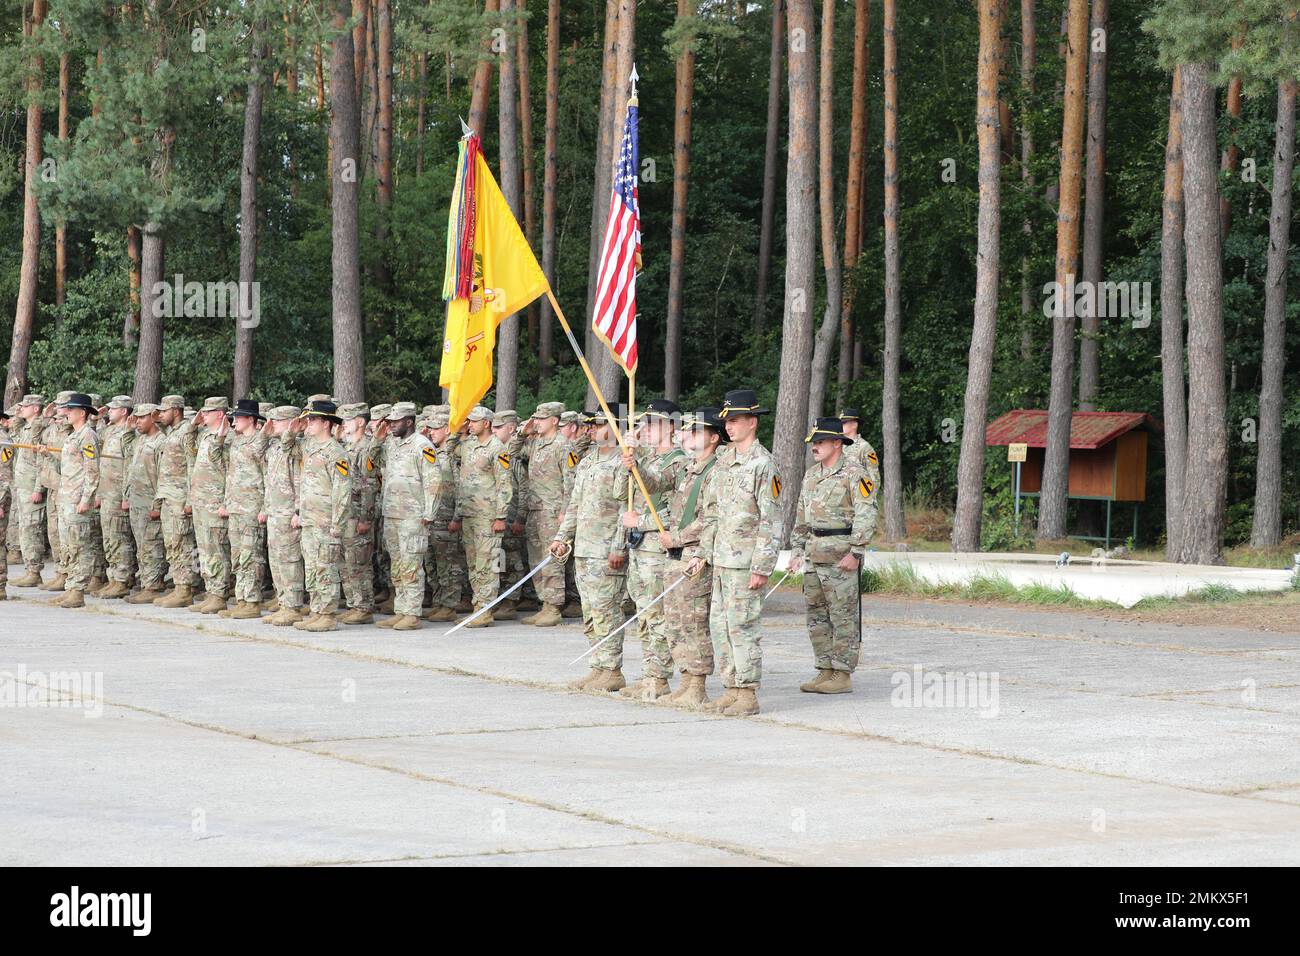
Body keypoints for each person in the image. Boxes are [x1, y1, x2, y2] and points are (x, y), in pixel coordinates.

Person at [700, 389, 784, 717]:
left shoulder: (763, 464)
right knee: (720, 625)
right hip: (721, 558)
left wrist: (762, 566)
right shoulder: (723, 461)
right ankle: (731, 686)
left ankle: (748, 692)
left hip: (746, 561)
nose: (729, 427)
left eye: (734, 420)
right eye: (726, 422)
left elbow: (771, 519)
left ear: (752, 422)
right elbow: (712, 512)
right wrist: (704, 552)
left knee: (742, 626)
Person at [789, 417, 877, 695]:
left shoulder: (854, 473)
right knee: (816, 615)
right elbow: (802, 516)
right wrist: (797, 549)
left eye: (820, 442)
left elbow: (866, 512)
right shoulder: (812, 474)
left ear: (837, 443)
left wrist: (857, 551)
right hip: (814, 553)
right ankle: (824, 669)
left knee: (842, 615)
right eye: (813, 442)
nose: (815, 447)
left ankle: (842, 673)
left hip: (840, 554)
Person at [650, 407, 727, 709]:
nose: (688, 435)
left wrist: (678, 538)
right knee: (675, 621)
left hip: (695, 555)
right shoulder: (685, 467)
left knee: (694, 622)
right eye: (688, 430)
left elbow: (712, 517)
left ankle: (698, 684)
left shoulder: (716, 471)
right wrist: (633, 465)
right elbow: (655, 483)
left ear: (713, 438)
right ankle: (684, 679)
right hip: (674, 555)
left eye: (696, 431)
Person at [550, 410, 630, 692]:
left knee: (607, 611)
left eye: (599, 424)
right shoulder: (587, 461)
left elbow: (627, 509)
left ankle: (612, 669)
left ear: (616, 426)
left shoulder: (624, 461)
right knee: (591, 613)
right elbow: (575, 504)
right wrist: (563, 537)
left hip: (606, 548)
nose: (593, 429)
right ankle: (597, 666)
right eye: (592, 425)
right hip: (584, 547)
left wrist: (619, 545)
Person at [618, 398, 687, 700]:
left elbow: (680, 513)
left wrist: (642, 521)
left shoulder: (680, 461)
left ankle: (660, 677)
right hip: (640, 549)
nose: (646, 429)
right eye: (645, 423)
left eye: (654, 423)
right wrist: (629, 462)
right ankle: (650, 673)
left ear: (671, 426)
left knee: (659, 616)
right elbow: (621, 493)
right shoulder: (648, 460)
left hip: (659, 550)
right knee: (645, 616)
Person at [374, 402, 443, 631]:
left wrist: (429, 513)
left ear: (409, 422)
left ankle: (412, 613)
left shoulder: (422, 445)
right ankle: (401, 609)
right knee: (397, 564)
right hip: (393, 514)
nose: (392, 425)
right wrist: (377, 438)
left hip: (413, 516)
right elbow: (370, 459)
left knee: (411, 564)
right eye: (390, 421)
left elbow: (434, 480)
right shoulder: (392, 445)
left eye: (396, 421)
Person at [504, 402, 569, 627]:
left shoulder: (563, 445)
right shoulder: (534, 443)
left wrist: (565, 511)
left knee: (552, 559)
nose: (537, 423)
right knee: (536, 559)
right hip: (534, 510)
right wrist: (523, 432)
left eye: (541, 419)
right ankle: (544, 602)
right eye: (536, 419)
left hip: (552, 511)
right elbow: (511, 452)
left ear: (554, 421)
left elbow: (571, 481)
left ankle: (554, 607)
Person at [292, 400, 352, 632]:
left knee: (326, 568)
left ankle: (327, 615)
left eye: (313, 419)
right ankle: (316, 610)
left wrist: (337, 523)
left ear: (326, 423)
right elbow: (288, 445)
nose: (309, 423)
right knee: (313, 568)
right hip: (309, 519)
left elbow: (342, 490)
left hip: (327, 521)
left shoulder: (336, 452)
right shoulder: (309, 446)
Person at [451, 406, 513, 623]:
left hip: (488, 515)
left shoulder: (497, 448)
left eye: (474, 422)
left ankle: (485, 610)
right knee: (474, 562)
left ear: (486, 423)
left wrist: (501, 516)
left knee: (489, 563)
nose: (470, 425)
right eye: (469, 421)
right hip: (469, 513)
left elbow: (505, 484)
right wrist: (456, 430)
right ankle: (478, 606)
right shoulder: (468, 445)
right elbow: (450, 449)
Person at [219, 400, 269, 619]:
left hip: (252, 507)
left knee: (251, 555)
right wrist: (227, 503)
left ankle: (252, 601)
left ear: (251, 419)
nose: (235, 421)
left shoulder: (261, 442)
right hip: (237, 507)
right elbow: (231, 476)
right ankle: (242, 598)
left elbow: (269, 477)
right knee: (238, 555)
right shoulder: (237, 442)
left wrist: (265, 507)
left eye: (239, 417)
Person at [53, 393, 101, 608]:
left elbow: (92, 471)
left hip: (77, 500)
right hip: (66, 498)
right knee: (68, 546)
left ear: (82, 413)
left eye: (71, 409)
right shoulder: (73, 436)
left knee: (80, 545)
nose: (66, 413)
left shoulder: (87, 435)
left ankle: (78, 590)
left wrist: (86, 499)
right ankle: (71, 587)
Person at [153, 395, 200, 608]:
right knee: (172, 544)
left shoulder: (187, 433)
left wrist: (190, 500)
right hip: (168, 497)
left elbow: (192, 467)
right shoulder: (171, 433)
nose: (160, 414)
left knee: (183, 543)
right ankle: (179, 586)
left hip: (180, 498)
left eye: (164, 411)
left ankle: (186, 589)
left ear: (176, 410)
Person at [262, 406, 307, 626]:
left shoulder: (297, 447)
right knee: (277, 561)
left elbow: (301, 482)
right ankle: (283, 604)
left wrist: (298, 511)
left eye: (277, 421)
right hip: (275, 513)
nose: (271, 425)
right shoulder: (274, 447)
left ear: (291, 423)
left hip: (289, 514)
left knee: (290, 562)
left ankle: (293, 606)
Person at [189, 397, 233, 614]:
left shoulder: (228, 437)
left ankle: (220, 594)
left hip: (216, 501)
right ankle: (211, 590)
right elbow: (189, 450)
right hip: (201, 501)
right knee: (205, 549)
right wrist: (192, 427)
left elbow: (229, 471)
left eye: (208, 412)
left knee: (217, 550)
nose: (203, 415)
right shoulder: (205, 434)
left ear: (220, 414)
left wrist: (226, 502)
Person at [420, 406, 464, 622]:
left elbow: (461, 487)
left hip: (447, 518)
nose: (431, 432)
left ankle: (450, 605)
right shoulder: (433, 453)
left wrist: (457, 516)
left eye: (436, 429)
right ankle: (438, 601)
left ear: (447, 430)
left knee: (448, 564)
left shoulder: (454, 455)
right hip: (432, 517)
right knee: (432, 563)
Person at [338, 403, 379, 625]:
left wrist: (366, 518)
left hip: (358, 516)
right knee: (346, 563)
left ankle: (364, 607)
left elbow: (370, 486)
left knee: (359, 563)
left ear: (360, 422)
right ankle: (354, 603)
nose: (344, 423)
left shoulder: (367, 449)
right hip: (346, 514)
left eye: (348, 419)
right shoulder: (346, 447)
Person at [122, 404, 168, 603]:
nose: (138, 421)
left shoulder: (161, 441)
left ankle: (153, 585)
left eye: (141, 418)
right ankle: (146, 582)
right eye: (136, 418)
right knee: (142, 545)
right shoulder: (140, 440)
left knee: (152, 545)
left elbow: (163, 475)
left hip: (150, 501)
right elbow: (127, 455)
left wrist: (157, 506)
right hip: (136, 500)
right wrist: (129, 430)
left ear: (153, 417)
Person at [94, 396, 138, 598]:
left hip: (119, 491)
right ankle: (114, 577)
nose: (109, 411)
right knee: (110, 537)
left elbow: (130, 466)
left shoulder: (130, 434)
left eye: (114, 409)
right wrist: (99, 419)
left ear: (124, 411)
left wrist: (126, 495)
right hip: (107, 491)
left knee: (120, 536)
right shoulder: (109, 430)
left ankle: (123, 578)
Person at [9, 394, 48, 588]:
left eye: (25, 406)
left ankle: (34, 571)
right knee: (25, 530)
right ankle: (29, 569)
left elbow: (41, 461)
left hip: (32, 485)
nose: (21, 408)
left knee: (33, 530)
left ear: (36, 408)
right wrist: (17, 415)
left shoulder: (39, 426)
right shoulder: (26, 427)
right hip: (22, 485)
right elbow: (14, 434)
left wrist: (38, 488)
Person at [838, 408, 881, 496]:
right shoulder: (838, 446)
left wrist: (867, 501)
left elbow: (874, 479)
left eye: (844, 423)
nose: (840, 426)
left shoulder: (865, 448)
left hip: (857, 501)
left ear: (854, 425)